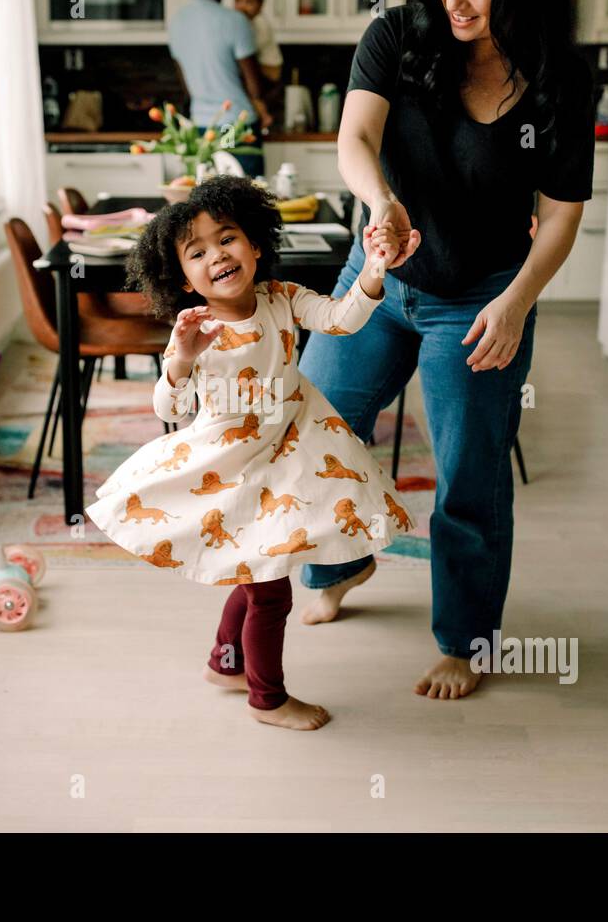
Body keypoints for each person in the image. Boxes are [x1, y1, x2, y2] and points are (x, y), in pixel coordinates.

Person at [296, 0, 595, 700]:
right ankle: (340, 565)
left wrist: (520, 300)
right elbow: (355, 138)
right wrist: (381, 201)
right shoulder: (397, 37)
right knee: (317, 428)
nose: (454, 1)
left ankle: (465, 641)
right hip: (379, 279)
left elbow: (560, 213)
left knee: (468, 471)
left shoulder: (561, 75)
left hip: (483, 296)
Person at [85, 177, 412, 731]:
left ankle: (225, 662)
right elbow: (169, 402)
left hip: (286, 450)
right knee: (270, 592)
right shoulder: (196, 330)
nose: (217, 255)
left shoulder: (281, 297)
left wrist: (376, 271)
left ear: (255, 245)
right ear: (183, 279)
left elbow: (342, 320)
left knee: (257, 568)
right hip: (230, 467)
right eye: (198, 251)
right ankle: (268, 699)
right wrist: (181, 360)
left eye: (227, 238)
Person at [169, 0, 272, 177]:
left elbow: (186, 86)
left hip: (202, 128)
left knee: (210, 198)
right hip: (233, 126)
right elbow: (255, 87)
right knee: (247, 199)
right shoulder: (235, 21)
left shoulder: (176, 22)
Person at [233, 0, 283, 83]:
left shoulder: (261, 25)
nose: (242, 7)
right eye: (238, 0)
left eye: (249, 2)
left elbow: (243, 58)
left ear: (260, 5)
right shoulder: (242, 25)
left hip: (269, 78)